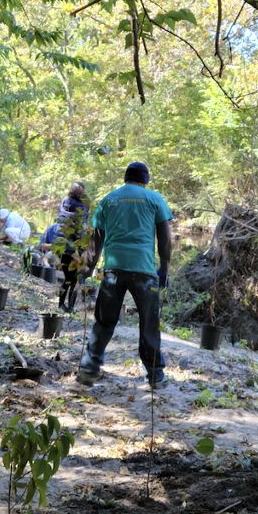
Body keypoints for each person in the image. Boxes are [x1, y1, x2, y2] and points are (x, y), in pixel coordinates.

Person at [77, 161, 172, 387]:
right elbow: (166, 240)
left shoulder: (109, 200)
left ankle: (89, 370)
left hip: (113, 270)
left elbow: (96, 240)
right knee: (149, 322)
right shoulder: (155, 199)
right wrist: (165, 268)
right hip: (144, 271)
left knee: (104, 321)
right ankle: (156, 376)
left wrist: (88, 268)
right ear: (145, 180)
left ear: (125, 178)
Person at [56, 181, 91, 313]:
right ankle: (69, 307)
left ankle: (63, 305)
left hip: (61, 244)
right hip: (74, 246)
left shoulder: (64, 201)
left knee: (68, 278)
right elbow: (81, 228)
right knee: (76, 278)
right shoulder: (83, 206)